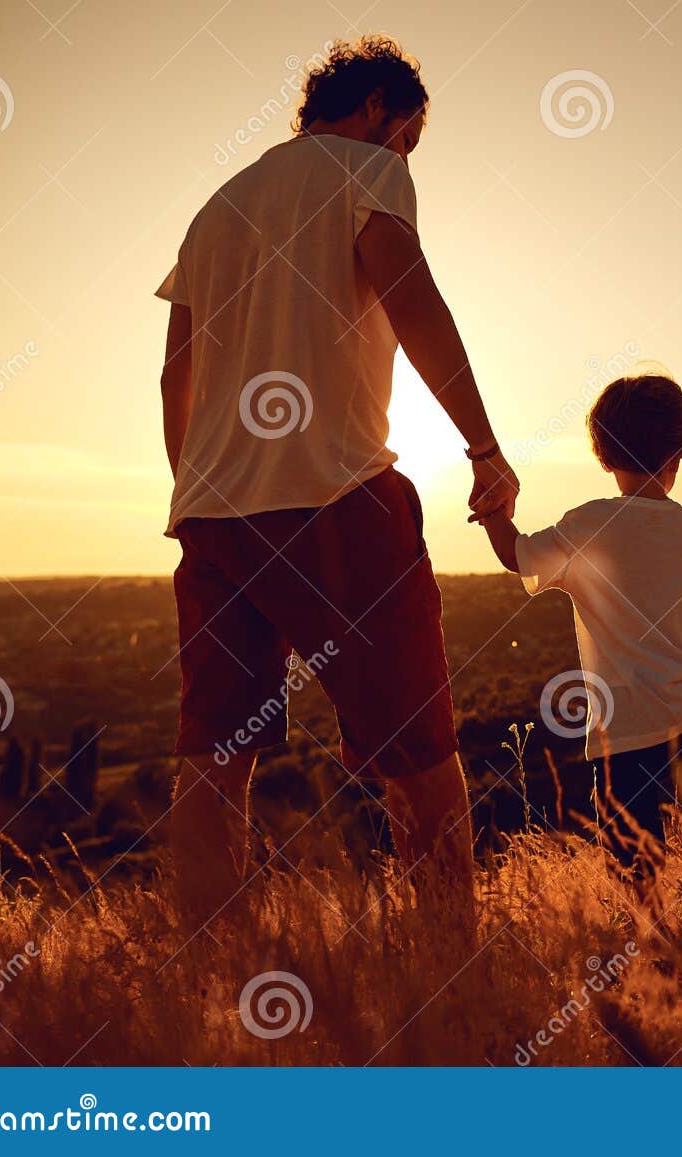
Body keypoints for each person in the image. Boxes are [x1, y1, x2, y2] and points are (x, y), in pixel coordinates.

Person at [155, 36, 517, 928]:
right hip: (336, 498)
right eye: (409, 136)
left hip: (211, 515)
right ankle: (445, 954)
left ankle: (205, 958)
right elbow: (415, 301)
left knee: (213, 750)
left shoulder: (217, 206)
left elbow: (175, 375)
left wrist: (200, 483)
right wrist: (483, 448)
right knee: (419, 745)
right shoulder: (367, 169)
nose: (406, 156)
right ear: (376, 111)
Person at [476, 374, 682, 870]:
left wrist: (493, 512)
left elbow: (516, 555)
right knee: (651, 807)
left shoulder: (586, 525)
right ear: (679, 453)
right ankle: (677, 895)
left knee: (623, 831)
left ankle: (652, 925)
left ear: (603, 455)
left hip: (627, 717)